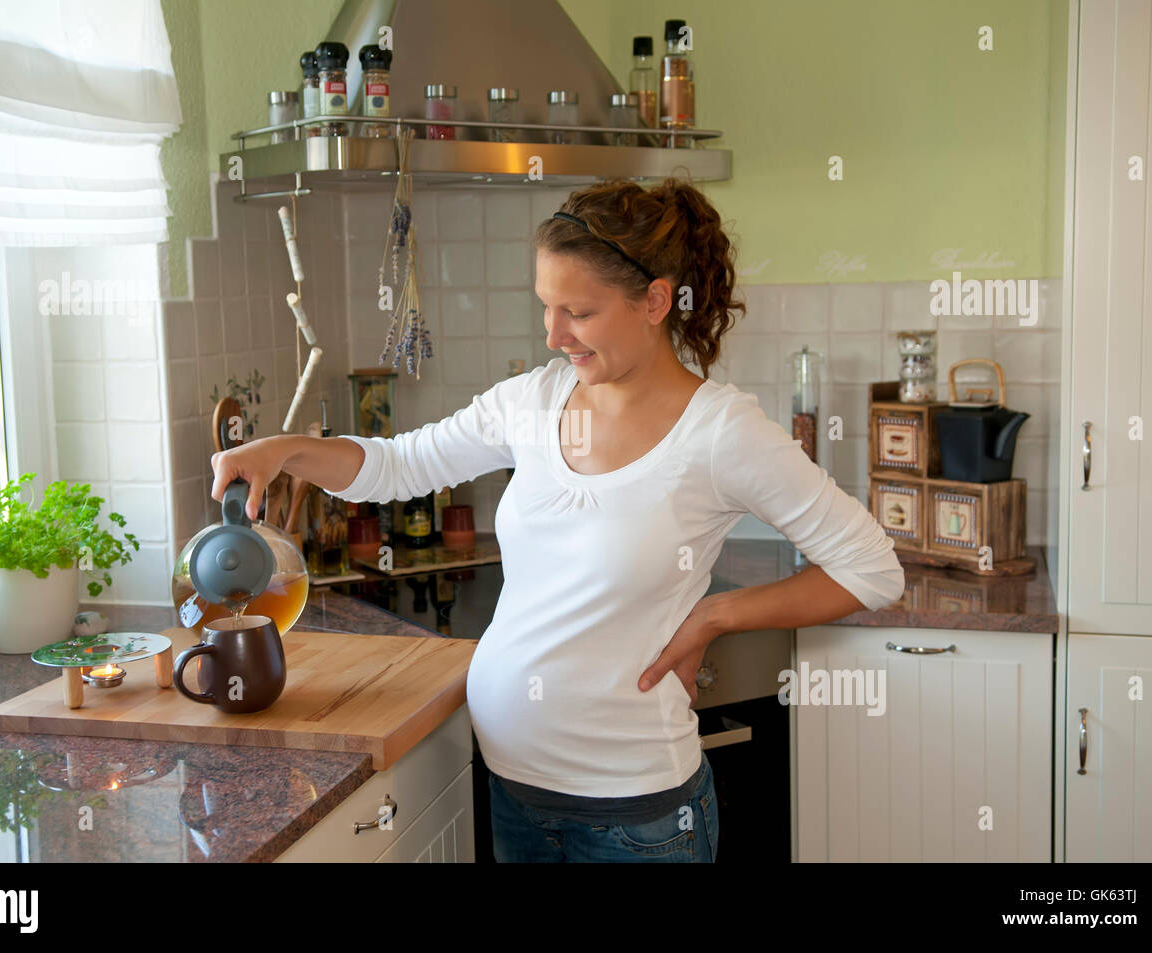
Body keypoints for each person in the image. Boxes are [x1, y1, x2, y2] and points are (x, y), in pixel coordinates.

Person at [209, 177, 905, 863]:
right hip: (517, 800)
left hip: (639, 825)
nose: (553, 334)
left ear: (655, 301)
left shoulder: (720, 431)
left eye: (578, 311)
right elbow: (398, 464)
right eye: (545, 307)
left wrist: (715, 615)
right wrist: (286, 448)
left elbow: (871, 568)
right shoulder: (531, 402)